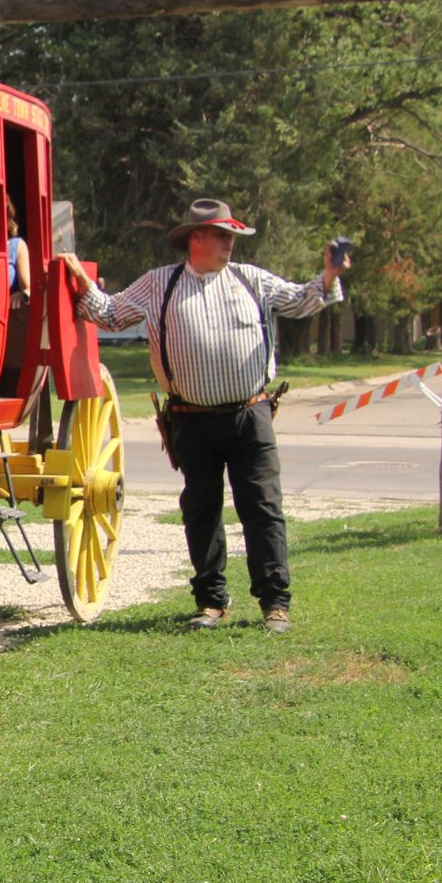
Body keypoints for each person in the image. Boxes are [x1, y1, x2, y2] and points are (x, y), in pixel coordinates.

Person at [58, 199, 348, 634]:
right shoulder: (161, 284)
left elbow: (303, 299)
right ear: (195, 238)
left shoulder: (251, 280)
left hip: (251, 415)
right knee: (201, 510)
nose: (229, 243)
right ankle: (211, 602)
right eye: (221, 235)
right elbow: (111, 314)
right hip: (190, 419)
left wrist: (330, 274)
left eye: (232, 236)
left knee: (263, 508)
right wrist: (77, 279)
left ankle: (275, 604)